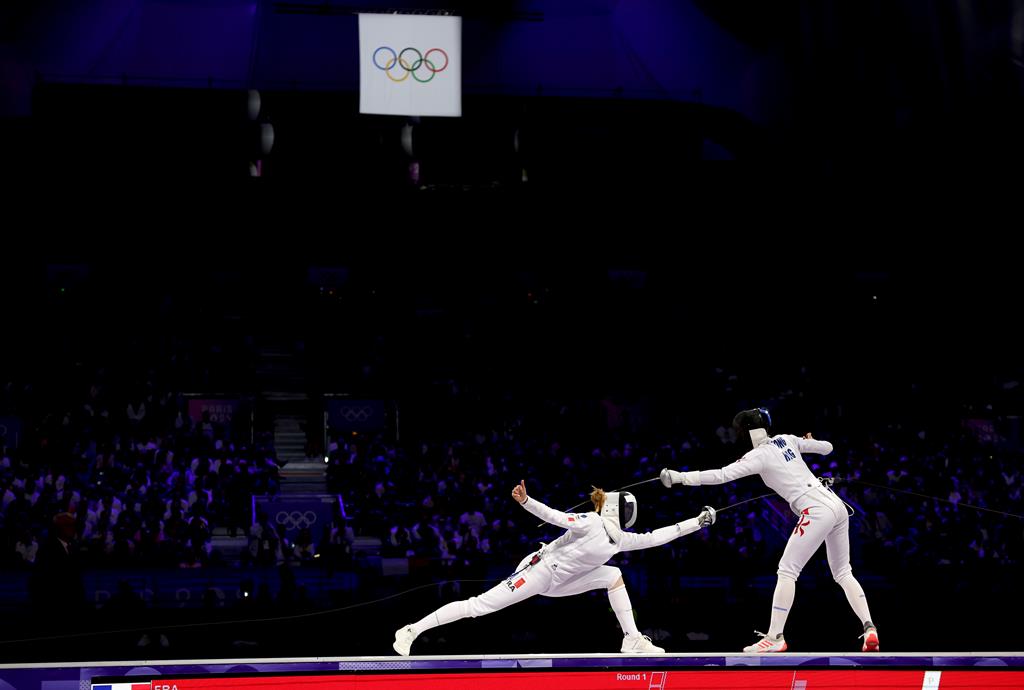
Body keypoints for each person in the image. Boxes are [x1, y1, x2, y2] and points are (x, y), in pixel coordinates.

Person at [392, 480, 716, 655]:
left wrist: (697, 522)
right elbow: (555, 517)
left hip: (563, 583)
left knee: (614, 575)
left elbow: (659, 536)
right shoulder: (590, 522)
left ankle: (631, 639)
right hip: (540, 571)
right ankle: (411, 630)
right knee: (479, 606)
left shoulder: (620, 542)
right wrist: (526, 501)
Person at [661, 408, 879, 653]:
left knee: (787, 570)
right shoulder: (787, 439)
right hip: (837, 505)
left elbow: (721, 475)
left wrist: (680, 477)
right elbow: (827, 448)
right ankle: (869, 627)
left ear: (746, 432)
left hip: (817, 510)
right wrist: (811, 441)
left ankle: (775, 637)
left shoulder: (758, 455)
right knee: (843, 572)